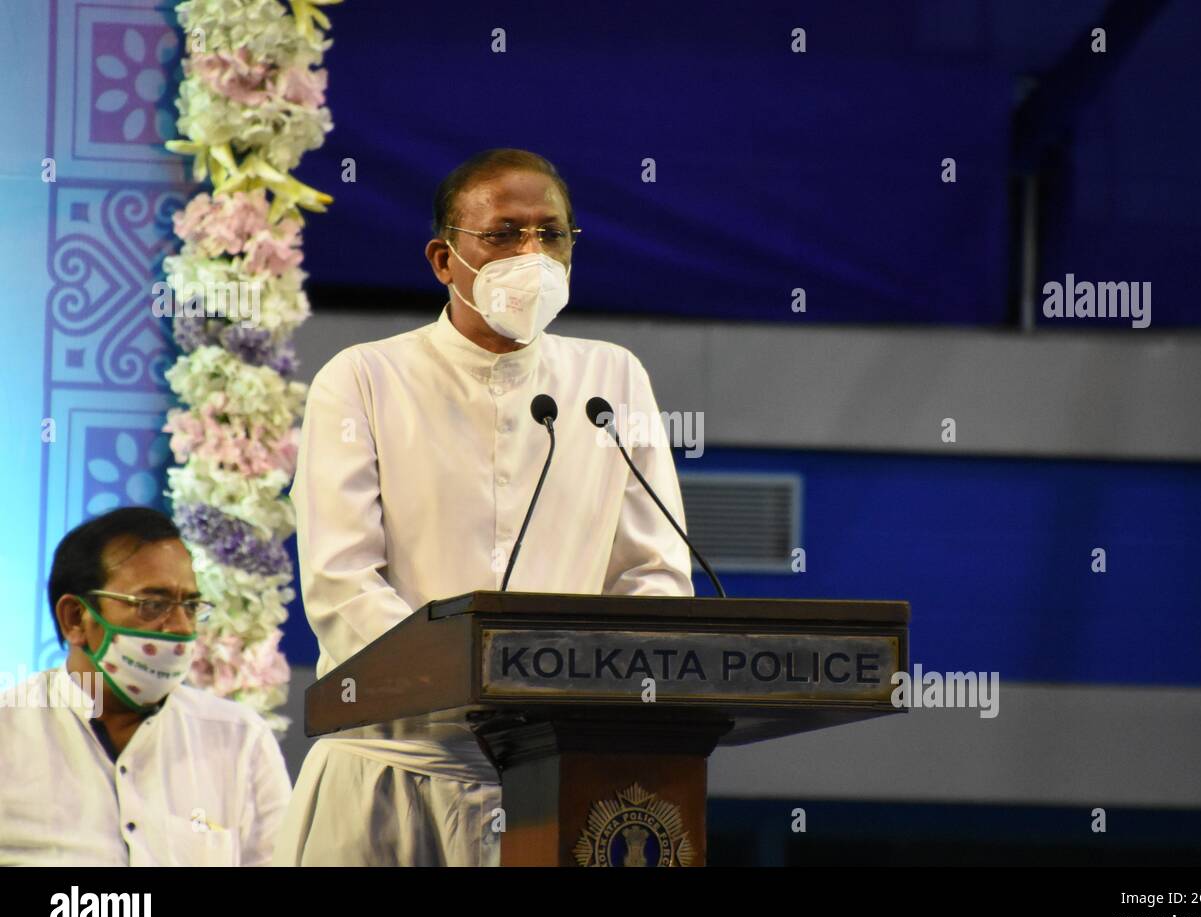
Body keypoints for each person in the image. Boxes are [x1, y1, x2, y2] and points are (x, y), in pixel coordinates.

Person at [274, 148, 694, 866]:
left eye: (552, 234)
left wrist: (571, 693)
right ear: (444, 259)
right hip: (392, 770)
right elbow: (342, 585)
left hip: (555, 778)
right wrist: (484, 680)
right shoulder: (364, 379)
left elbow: (654, 576)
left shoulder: (612, 377)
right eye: (503, 234)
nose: (532, 253)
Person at [0, 507, 292, 865]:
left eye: (190, 605)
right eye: (153, 605)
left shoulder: (239, 738)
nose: (182, 627)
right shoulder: (9, 733)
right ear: (75, 619)